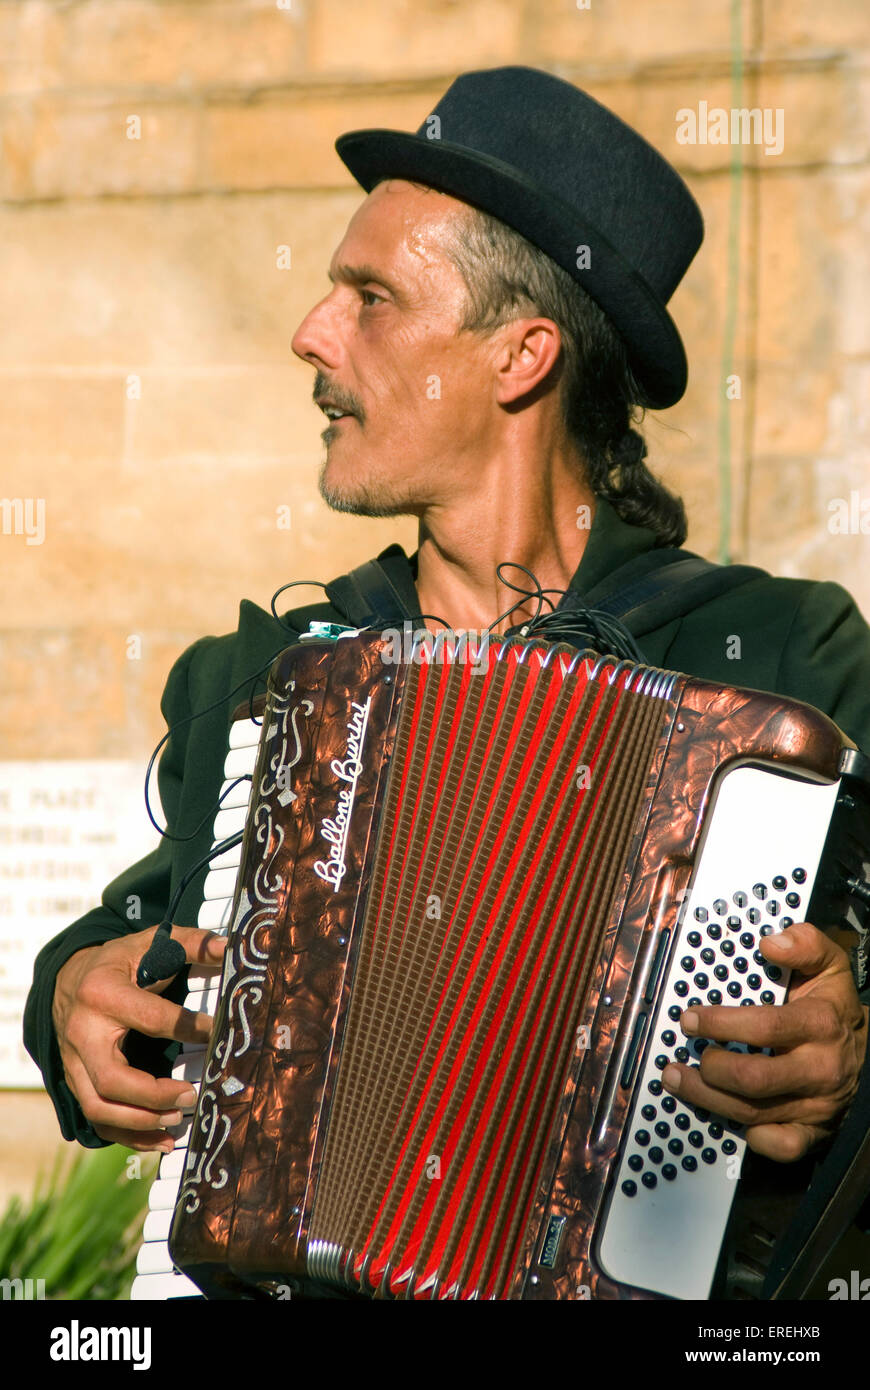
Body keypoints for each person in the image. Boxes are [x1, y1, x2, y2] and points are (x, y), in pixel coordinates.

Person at [25, 68, 870, 1230]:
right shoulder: (273, 679)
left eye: (369, 297)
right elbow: (139, 931)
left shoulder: (778, 656)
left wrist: (850, 1036)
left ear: (520, 357)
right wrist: (68, 988)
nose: (309, 334)